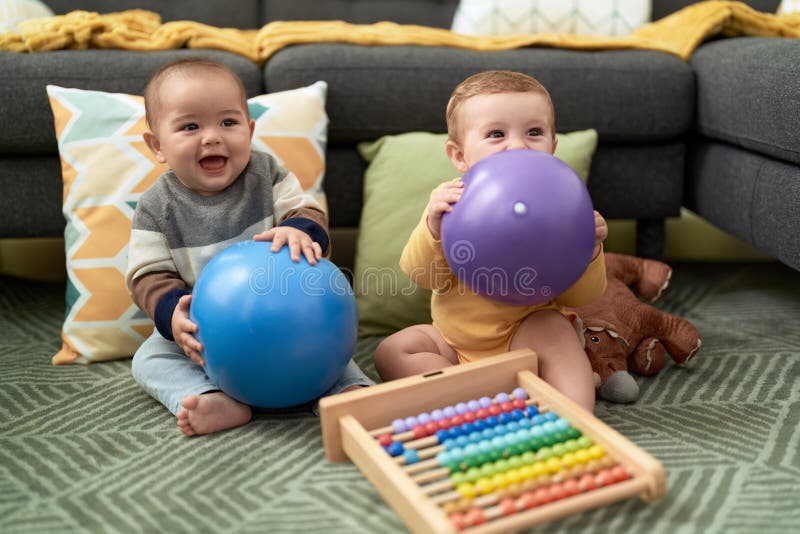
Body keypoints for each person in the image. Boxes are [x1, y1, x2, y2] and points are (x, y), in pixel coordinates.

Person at [125, 58, 372, 436]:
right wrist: (175, 316)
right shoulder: (156, 207)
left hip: (294, 318)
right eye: (190, 126)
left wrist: (298, 230)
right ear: (157, 146)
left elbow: (305, 209)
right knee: (148, 358)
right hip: (207, 333)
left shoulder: (265, 173)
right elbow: (147, 274)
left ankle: (347, 392)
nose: (212, 137)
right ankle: (210, 395)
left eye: (228, 122)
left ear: (250, 129)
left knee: (334, 346)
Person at [373, 70, 608, 412]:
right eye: (496, 134)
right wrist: (433, 227)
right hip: (455, 346)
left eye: (534, 132)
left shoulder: (561, 206)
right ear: (459, 155)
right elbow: (422, 276)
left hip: (525, 341)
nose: (517, 145)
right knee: (393, 350)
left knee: (554, 328)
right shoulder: (451, 202)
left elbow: (584, 296)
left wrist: (589, 248)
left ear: (553, 147)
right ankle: (460, 397)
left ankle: (575, 414)